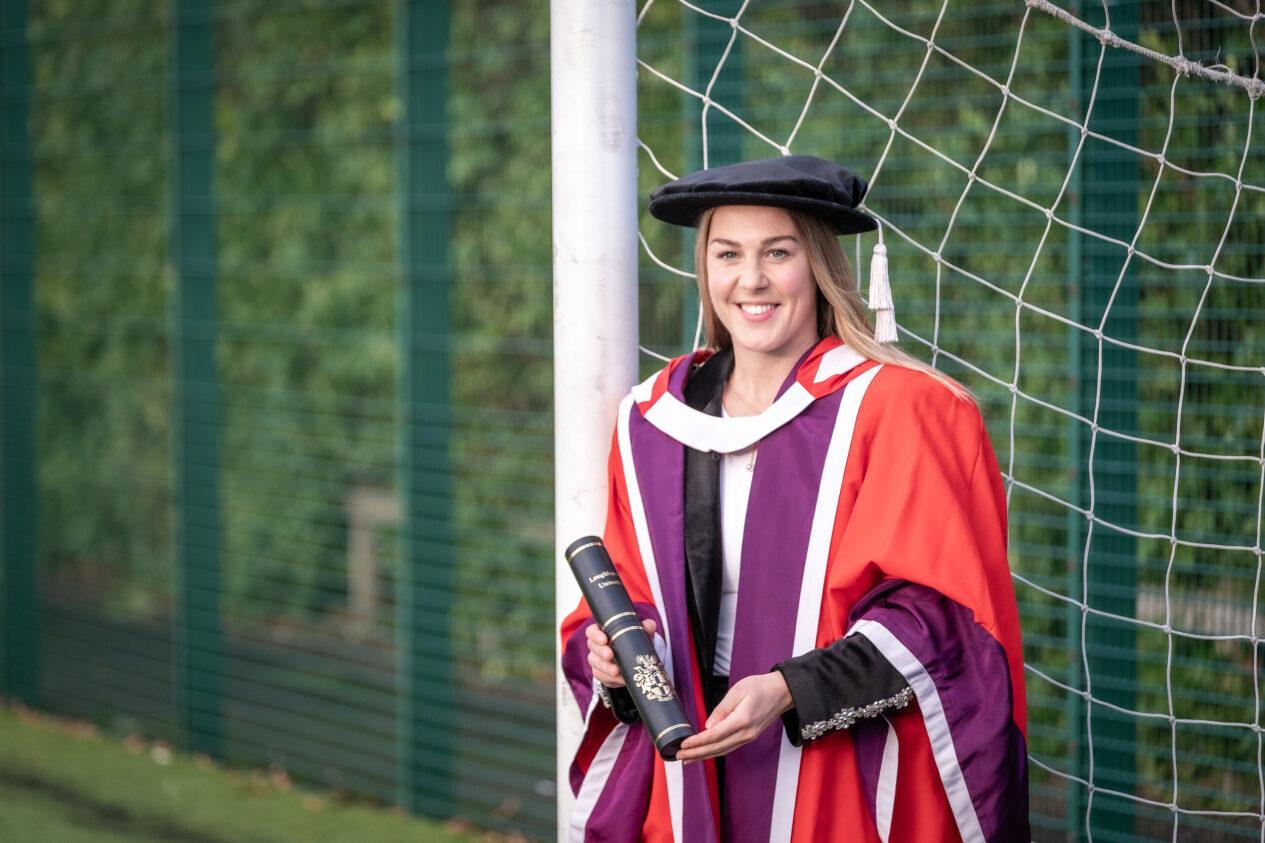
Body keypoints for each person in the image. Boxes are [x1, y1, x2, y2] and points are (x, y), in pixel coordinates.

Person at [560, 156, 1029, 842]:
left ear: (816, 265)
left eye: (776, 252)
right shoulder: (652, 420)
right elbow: (622, 595)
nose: (750, 280)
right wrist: (611, 657)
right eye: (727, 253)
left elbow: (943, 616)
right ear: (704, 267)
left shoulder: (900, 409)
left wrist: (784, 688)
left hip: (835, 768)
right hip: (690, 760)